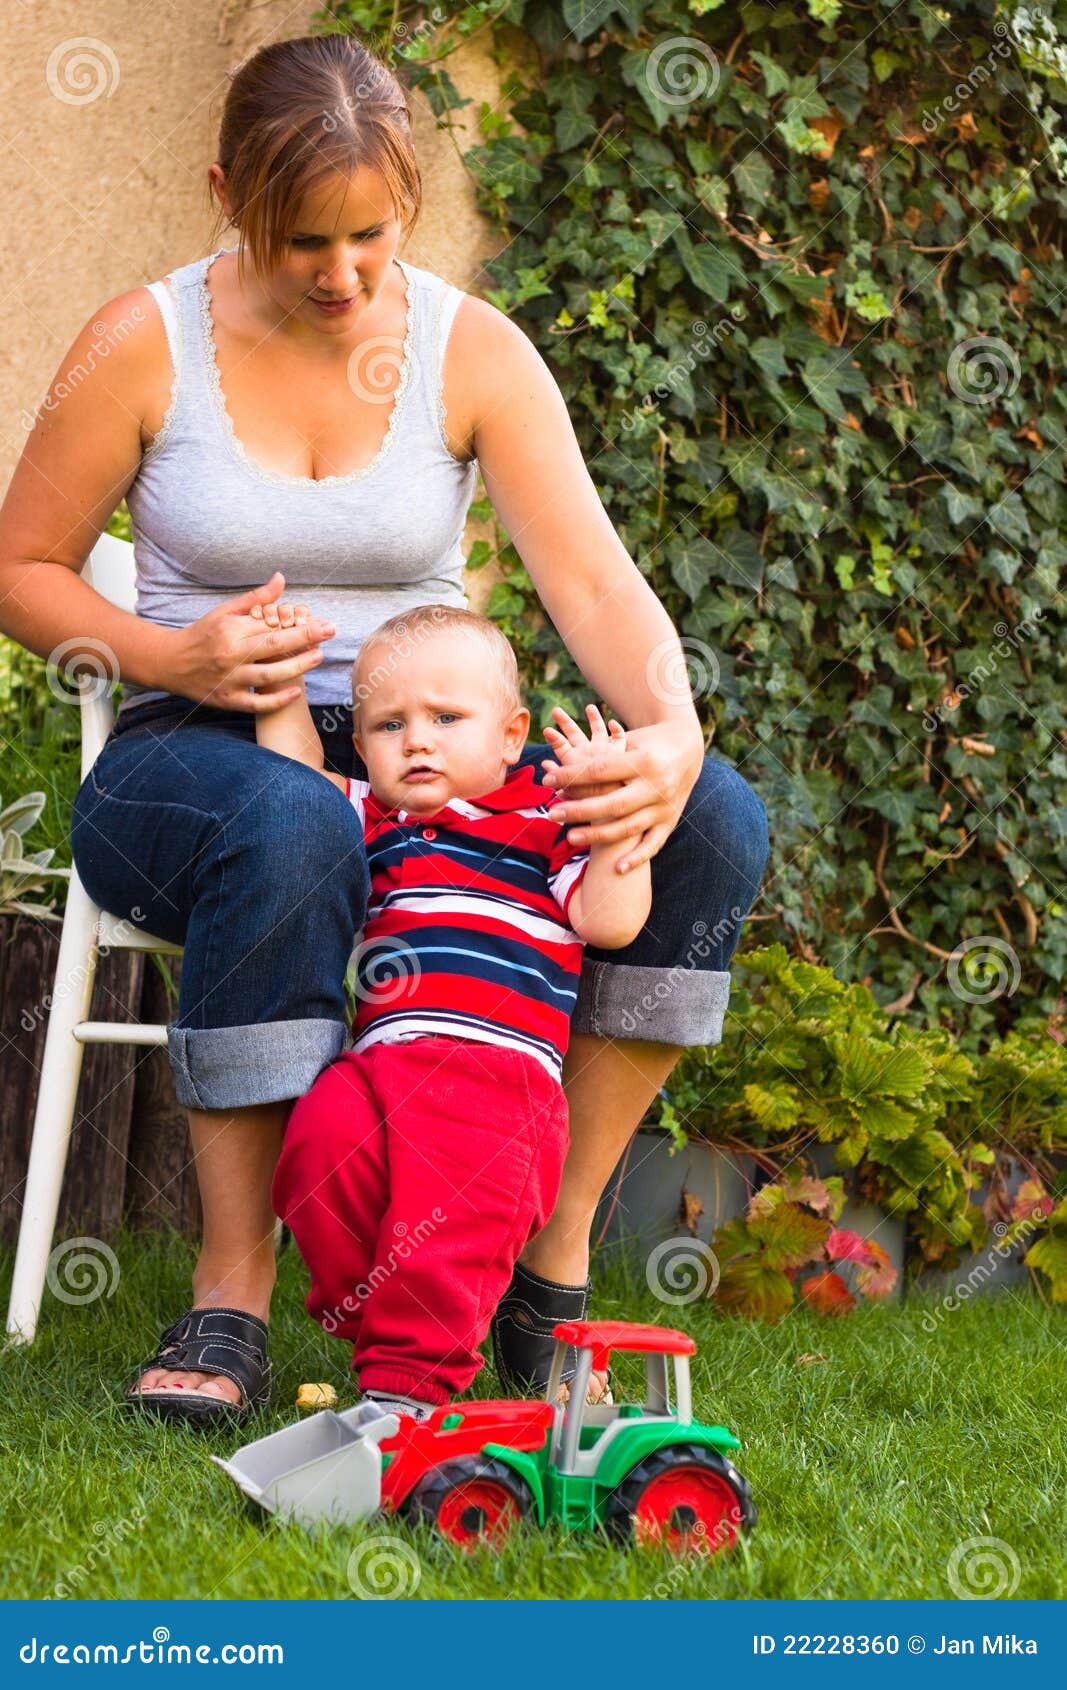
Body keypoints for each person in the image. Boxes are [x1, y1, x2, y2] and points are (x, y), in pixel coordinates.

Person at [0, 32, 768, 1423]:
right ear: (227, 194)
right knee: (292, 816)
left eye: (371, 234)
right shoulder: (142, 340)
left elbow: (593, 584)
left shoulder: (470, 351)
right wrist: (178, 651)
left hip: (430, 751)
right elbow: (21, 569)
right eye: (304, 240)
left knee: (709, 818)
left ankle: (543, 1261)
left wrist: (670, 729)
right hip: (190, 746)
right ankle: (231, 1290)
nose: (343, 275)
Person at [254, 597, 650, 1417]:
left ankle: (407, 1387)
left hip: (495, 1074)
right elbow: (294, 782)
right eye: (388, 725)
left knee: (453, 1224)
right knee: (317, 1151)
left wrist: (612, 818)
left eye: (445, 718)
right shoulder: (375, 820)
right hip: (378, 1062)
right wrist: (280, 684)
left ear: (511, 736)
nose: (417, 740)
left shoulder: (548, 818)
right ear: (362, 744)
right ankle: (378, 1309)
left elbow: (610, 921)